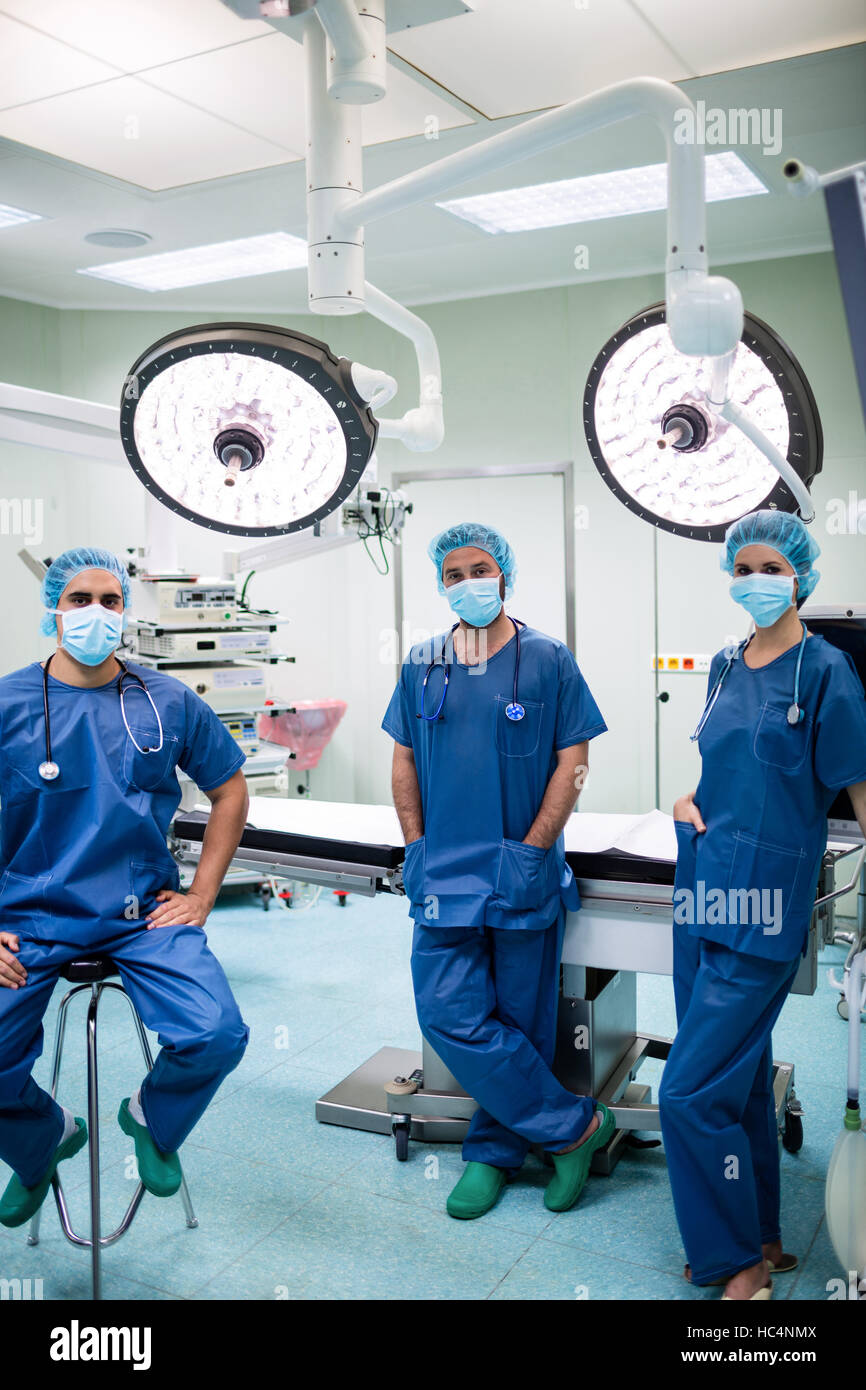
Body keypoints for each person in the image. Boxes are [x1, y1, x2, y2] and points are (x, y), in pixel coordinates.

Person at [0, 548, 250, 1227]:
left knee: (217, 1034)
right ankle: (38, 1140)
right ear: (53, 608)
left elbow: (229, 789)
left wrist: (201, 894)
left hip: (141, 916)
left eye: (111, 601)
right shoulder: (8, 703)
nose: (96, 614)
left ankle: (153, 1119)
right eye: (80, 599)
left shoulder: (164, 701)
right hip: (25, 920)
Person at [661, 509, 866, 1301]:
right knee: (738, 1080)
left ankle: (735, 1264)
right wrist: (688, 801)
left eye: (770, 568)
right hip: (700, 882)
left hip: (765, 901)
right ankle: (765, 1237)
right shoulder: (723, 662)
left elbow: (855, 787)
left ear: (801, 575)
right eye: (742, 568)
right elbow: (725, 765)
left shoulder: (826, 672)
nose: (754, 581)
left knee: (686, 1091)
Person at [382, 522, 611, 1219]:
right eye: (453, 574)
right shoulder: (422, 662)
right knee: (449, 1013)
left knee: (522, 1018)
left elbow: (574, 765)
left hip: (520, 869)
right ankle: (573, 1128)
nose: (466, 582)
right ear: (441, 585)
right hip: (443, 873)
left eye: (478, 568)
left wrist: (536, 848)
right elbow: (404, 760)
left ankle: (493, 1151)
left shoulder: (547, 659)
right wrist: (416, 846)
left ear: (504, 575)